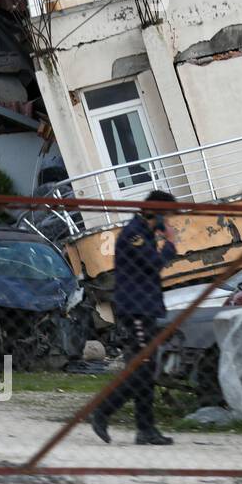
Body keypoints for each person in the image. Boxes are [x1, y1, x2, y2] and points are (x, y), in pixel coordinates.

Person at [90, 190, 179, 445]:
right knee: (140, 369)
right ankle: (102, 411)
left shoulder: (145, 233)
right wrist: (170, 243)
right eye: (168, 216)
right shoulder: (135, 235)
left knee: (146, 368)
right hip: (137, 311)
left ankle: (145, 429)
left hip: (145, 308)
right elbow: (152, 265)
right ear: (158, 213)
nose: (170, 222)